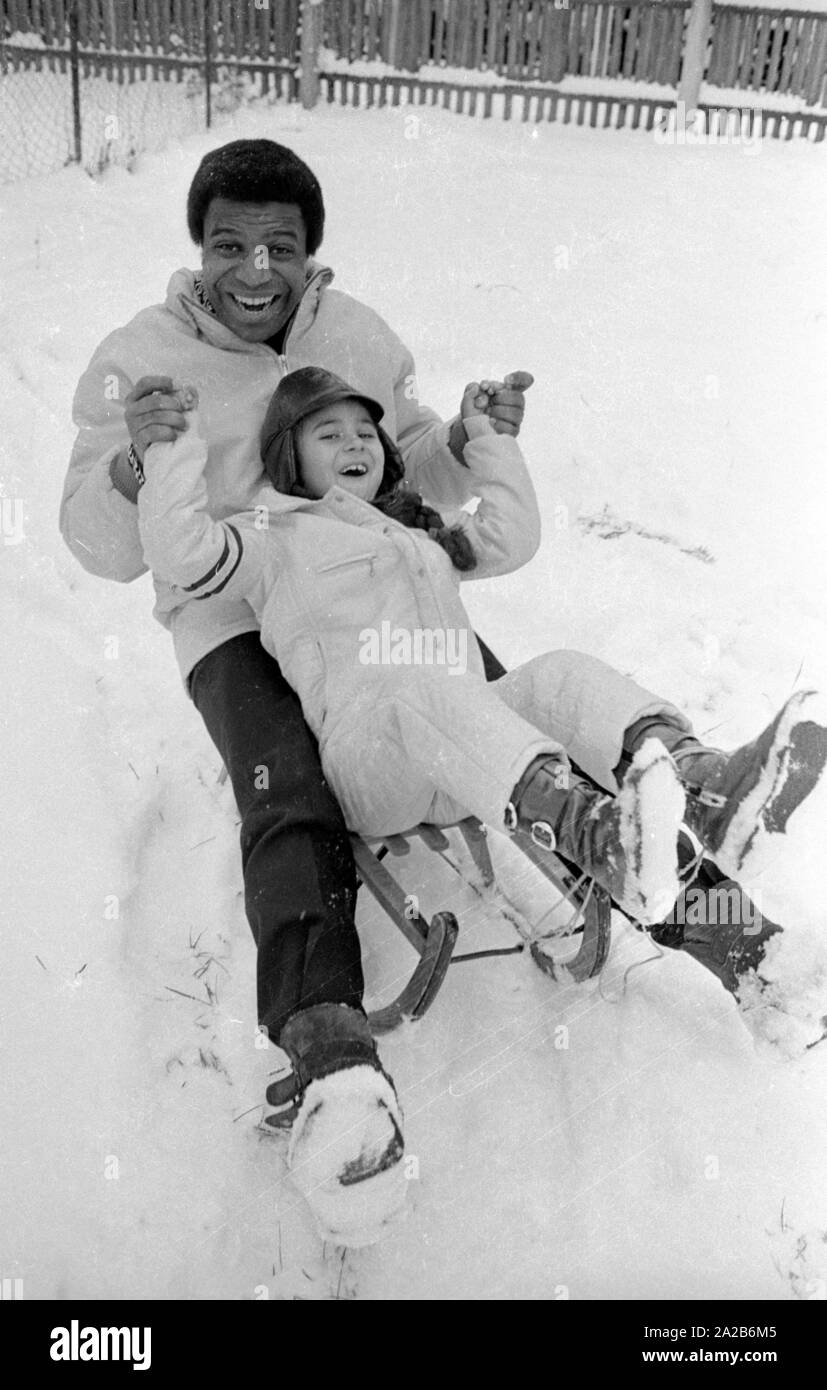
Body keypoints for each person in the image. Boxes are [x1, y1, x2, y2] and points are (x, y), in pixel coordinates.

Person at [136, 366, 827, 1245]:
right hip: (371, 757)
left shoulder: (413, 532)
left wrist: (487, 438)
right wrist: (170, 449)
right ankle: (596, 837)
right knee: (430, 683)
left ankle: (708, 809)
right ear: (286, 457)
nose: (352, 443)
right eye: (326, 433)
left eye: (362, 431)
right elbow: (183, 556)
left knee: (554, 674)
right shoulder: (269, 533)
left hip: (463, 732)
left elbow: (511, 537)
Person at [58, 139, 533, 1175]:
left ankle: (669, 852)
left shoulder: (352, 332)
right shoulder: (140, 356)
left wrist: (466, 433)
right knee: (288, 784)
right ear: (199, 248)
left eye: (279, 245)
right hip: (227, 604)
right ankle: (329, 1047)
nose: (255, 270)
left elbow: (413, 457)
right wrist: (139, 458)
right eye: (229, 244)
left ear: (311, 252)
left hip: (364, 576)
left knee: (498, 707)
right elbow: (93, 544)